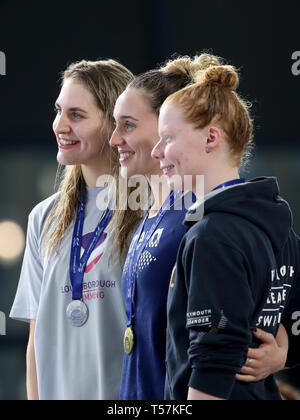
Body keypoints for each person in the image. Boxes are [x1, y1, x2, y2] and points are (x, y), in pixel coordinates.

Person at [110, 54, 289, 400]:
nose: (115, 138)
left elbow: (265, 295)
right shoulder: (149, 210)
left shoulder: (209, 219)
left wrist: (281, 349)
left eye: (128, 125)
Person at [10, 59, 134, 400]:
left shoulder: (147, 210)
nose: (59, 125)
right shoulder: (44, 218)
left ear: (114, 124)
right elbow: (36, 342)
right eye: (58, 111)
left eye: (76, 115)